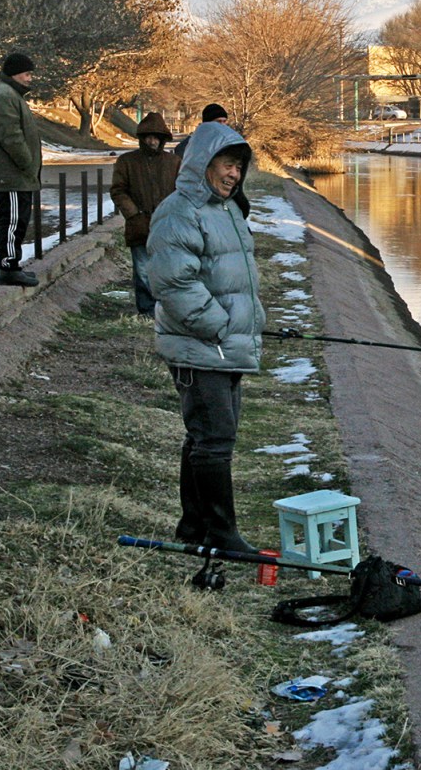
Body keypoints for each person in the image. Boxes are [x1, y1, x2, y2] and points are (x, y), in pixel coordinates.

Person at [149, 118, 264, 553]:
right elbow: (174, 284)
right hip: (203, 347)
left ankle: (194, 526)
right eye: (226, 164)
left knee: (205, 437)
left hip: (224, 345)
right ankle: (223, 534)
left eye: (238, 167)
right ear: (202, 163)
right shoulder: (179, 212)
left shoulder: (227, 210)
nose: (233, 174)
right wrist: (218, 325)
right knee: (214, 442)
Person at [110, 111, 179, 316]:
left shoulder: (173, 163)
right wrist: (133, 214)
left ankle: (167, 306)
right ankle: (147, 308)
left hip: (167, 224)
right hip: (139, 224)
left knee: (169, 268)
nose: (152, 141)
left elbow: (182, 191)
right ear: (141, 138)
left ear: (163, 139)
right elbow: (118, 190)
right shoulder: (127, 162)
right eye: (148, 137)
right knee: (142, 269)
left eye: (156, 137)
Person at [0, 52, 43, 286]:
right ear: (14, 73)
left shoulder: (10, 94)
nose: (30, 78)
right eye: (27, 74)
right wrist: (27, 164)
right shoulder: (5, 96)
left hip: (17, 175)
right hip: (11, 175)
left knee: (17, 221)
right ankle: (8, 266)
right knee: (11, 221)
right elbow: (11, 137)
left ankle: (13, 264)